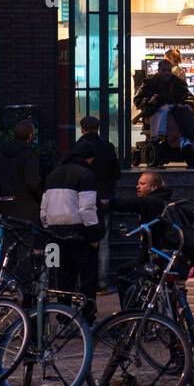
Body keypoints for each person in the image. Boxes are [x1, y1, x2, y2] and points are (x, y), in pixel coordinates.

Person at [41, 139, 103, 323]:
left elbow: (44, 209)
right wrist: (94, 235)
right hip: (80, 233)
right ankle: (87, 317)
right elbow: (87, 209)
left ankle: (63, 317)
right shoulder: (86, 175)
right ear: (88, 158)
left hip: (55, 234)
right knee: (88, 279)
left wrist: (47, 227)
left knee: (63, 278)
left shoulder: (52, 175)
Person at [114, 170, 194, 273]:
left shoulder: (152, 202)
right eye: (138, 184)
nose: (137, 187)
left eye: (142, 184)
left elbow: (130, 203)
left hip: (160, 256)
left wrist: (106, 203)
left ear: (154, 187)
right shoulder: (169, 204)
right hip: (177, 255)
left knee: (123, 272)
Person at [77, 116, 120, 289]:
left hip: (81, 197)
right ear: (98, 128)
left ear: (82, 129)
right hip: (103, 197)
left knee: (82, 240)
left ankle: (83, 281)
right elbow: (115, 174)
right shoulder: (107, 147)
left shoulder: (77, 147)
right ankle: (101, 282)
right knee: (103, 240)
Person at [137, 59, 194, 151]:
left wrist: (187, 103)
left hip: (175, 109)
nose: (167, 73)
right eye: (164, 70)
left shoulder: (178, 83)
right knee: (169, 115)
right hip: (154, 111)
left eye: (169, 70)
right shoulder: (149, 83)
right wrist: (149, 101)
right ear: (158, 70)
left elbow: (188, 96)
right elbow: (138, 99)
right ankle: (178, 140)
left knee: (189, 111)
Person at [0, 120, 42, 224]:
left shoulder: (2, 154)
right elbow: (32, 184)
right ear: (30, 135)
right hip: (26, 208)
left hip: (6, 207)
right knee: (27, 238)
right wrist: (42, 199)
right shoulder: (29, 155)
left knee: (9, 238)